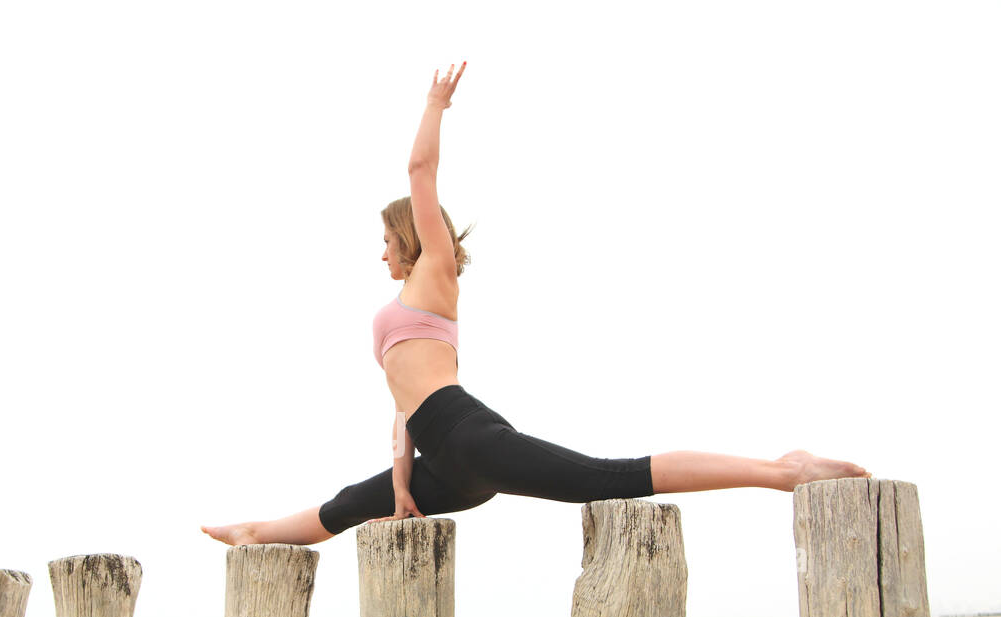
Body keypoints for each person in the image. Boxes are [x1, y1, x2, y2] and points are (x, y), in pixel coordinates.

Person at [201, 62, 870, 548]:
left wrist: (435, 103)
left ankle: (784, 471)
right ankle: (256, 533)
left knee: (610, 479)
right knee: (354, 503)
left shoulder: (433, 275)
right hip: (443, 465)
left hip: (468, 436)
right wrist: (403, 483)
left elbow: (420, 174)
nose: (379, 254)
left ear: (408, 238)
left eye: (384, 241)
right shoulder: (399, 306)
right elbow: (400, 406)